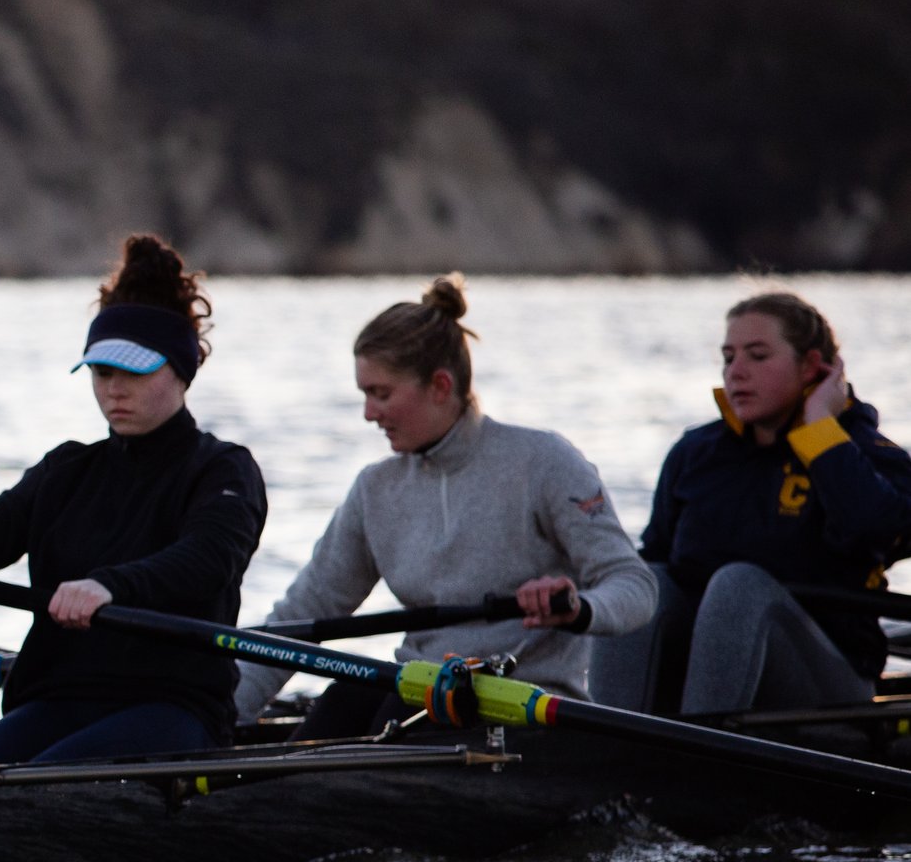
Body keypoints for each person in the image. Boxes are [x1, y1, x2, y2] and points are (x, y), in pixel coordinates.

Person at [235, 275, 654, 738]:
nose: (368, 414)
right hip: (419, 692)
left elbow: (635, 586)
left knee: (388, 712)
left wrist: (580, 608)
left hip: (519, 706)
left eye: (381, 393)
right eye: (365, 394)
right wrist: (221, 713)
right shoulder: (376, 489)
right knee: (346, 697)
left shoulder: (544, 463)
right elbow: (303, 615)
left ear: (439, 385)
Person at [0, 233, 267, 764]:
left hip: (172, 706)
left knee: (40, 783)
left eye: (134, 371)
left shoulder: (221, 468)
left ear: (181, 370)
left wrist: (110, 585)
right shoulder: (67, 469)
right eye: (102, 372)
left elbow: (208, 559)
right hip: (61, 698)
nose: (113, 390)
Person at [591, 293, 911, 718]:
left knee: (739, 584)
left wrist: (819, 430)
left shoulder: (865, 454)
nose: (735, 372)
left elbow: (876, 529)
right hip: (702, 675)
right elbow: (657, 559)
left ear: (812, 366)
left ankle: (707, 751)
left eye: (758, 356)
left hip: (828, 686)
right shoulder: (695, 453)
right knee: (642, 580)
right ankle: (609, 746)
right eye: (728, 357)